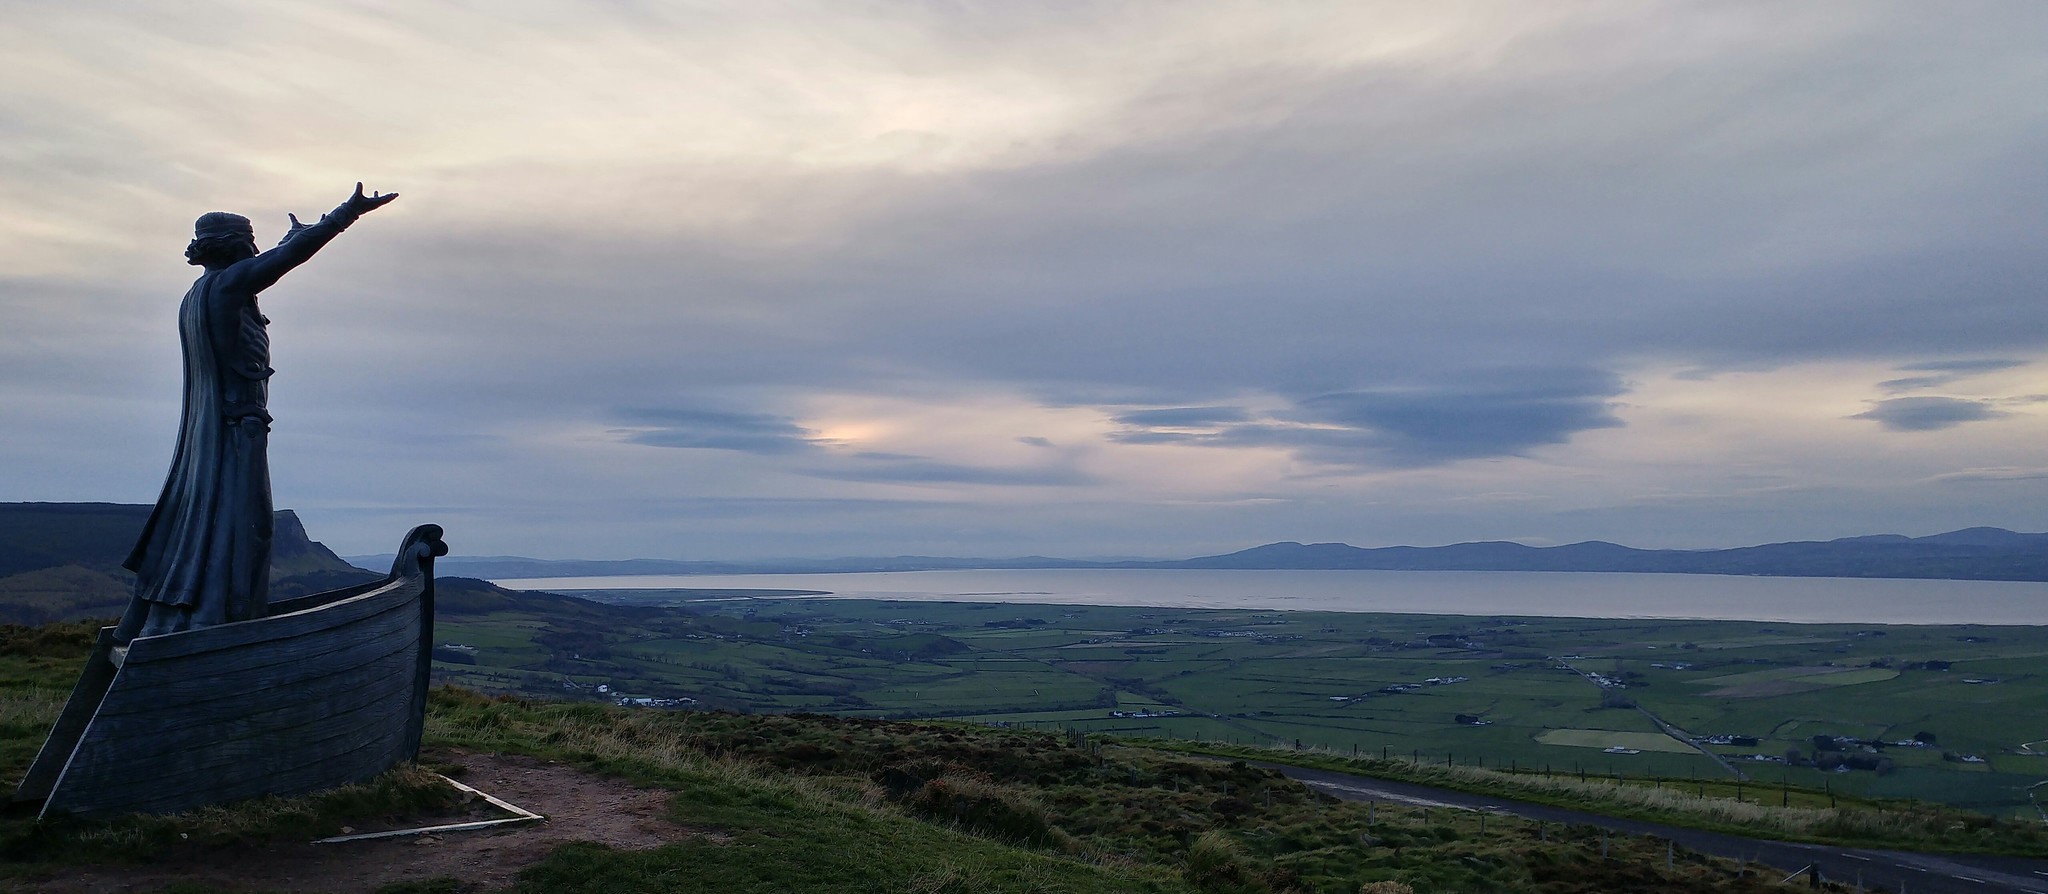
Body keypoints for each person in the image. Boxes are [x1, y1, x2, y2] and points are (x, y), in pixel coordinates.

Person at [114, 183, 398, 642]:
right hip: (236, 430)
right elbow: (286, 259)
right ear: (237, 245)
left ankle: (197, 614)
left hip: (210, 430)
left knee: (203, 522)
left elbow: (276, 256)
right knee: (248, 527)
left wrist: (293, 236)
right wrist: (346, 214)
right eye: (251, 240)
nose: (257, 247)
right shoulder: (228, 286)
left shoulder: (198, 294)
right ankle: (222, 625)